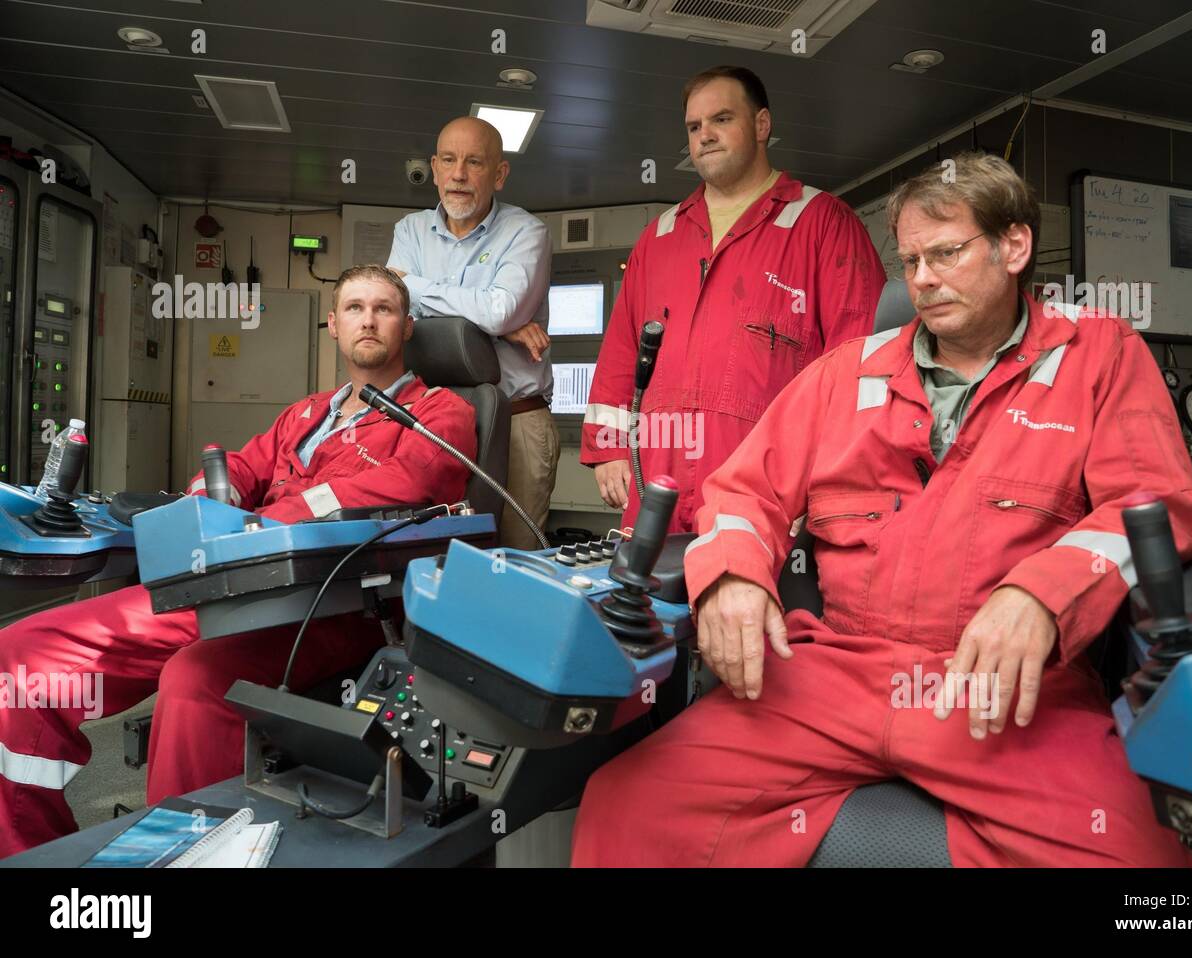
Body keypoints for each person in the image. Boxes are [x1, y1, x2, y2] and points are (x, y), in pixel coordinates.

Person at [571, 154, 1192, 867]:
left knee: (1144, 855)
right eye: (910, 261)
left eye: (947, 253)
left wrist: (1043, 592)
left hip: (1004, 691)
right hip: (834, 677)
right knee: (627, 803)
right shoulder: (848, 371)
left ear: (1015, 246)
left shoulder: (1098, 354)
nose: (924, 279)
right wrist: (731, 577)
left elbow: (1153, 506)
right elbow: (743, 493)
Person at [0, 265, 476, 857]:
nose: (369, 319)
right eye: (354, 307)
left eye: (383, 308)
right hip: (233, 585)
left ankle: (187, 851)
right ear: (333, 325)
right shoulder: (304, 414)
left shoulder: (439, 409)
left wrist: (278, 518)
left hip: (335, 601)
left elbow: (415, 479)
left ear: (407, 326)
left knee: (195, 680)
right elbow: (242, 470)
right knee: (21, 654)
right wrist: (204, 498)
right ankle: (29, 847)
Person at [581, 65, 886, 533]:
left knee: (748, 604)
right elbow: (622, 350)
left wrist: (827, 478)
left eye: (721, 119)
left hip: (766, 486)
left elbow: (861, 361)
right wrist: (608, 448)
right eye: (694, 126)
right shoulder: (660, 236)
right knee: (645, 605)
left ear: (762, 125)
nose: (704, 135)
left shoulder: (823, 224)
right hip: (655, 484)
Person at [389, 116, 557, 550]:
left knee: (517, 560)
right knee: (435, 553)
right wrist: (497, 321)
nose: (458, 174)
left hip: (517, 419)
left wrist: (416, 285)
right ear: (435, 166)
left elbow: (500, 310)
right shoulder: (409, 231)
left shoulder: (526, 232)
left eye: (474, 162)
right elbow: (396, 312)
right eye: (448, 160)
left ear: (499, 174)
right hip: (433, 421)